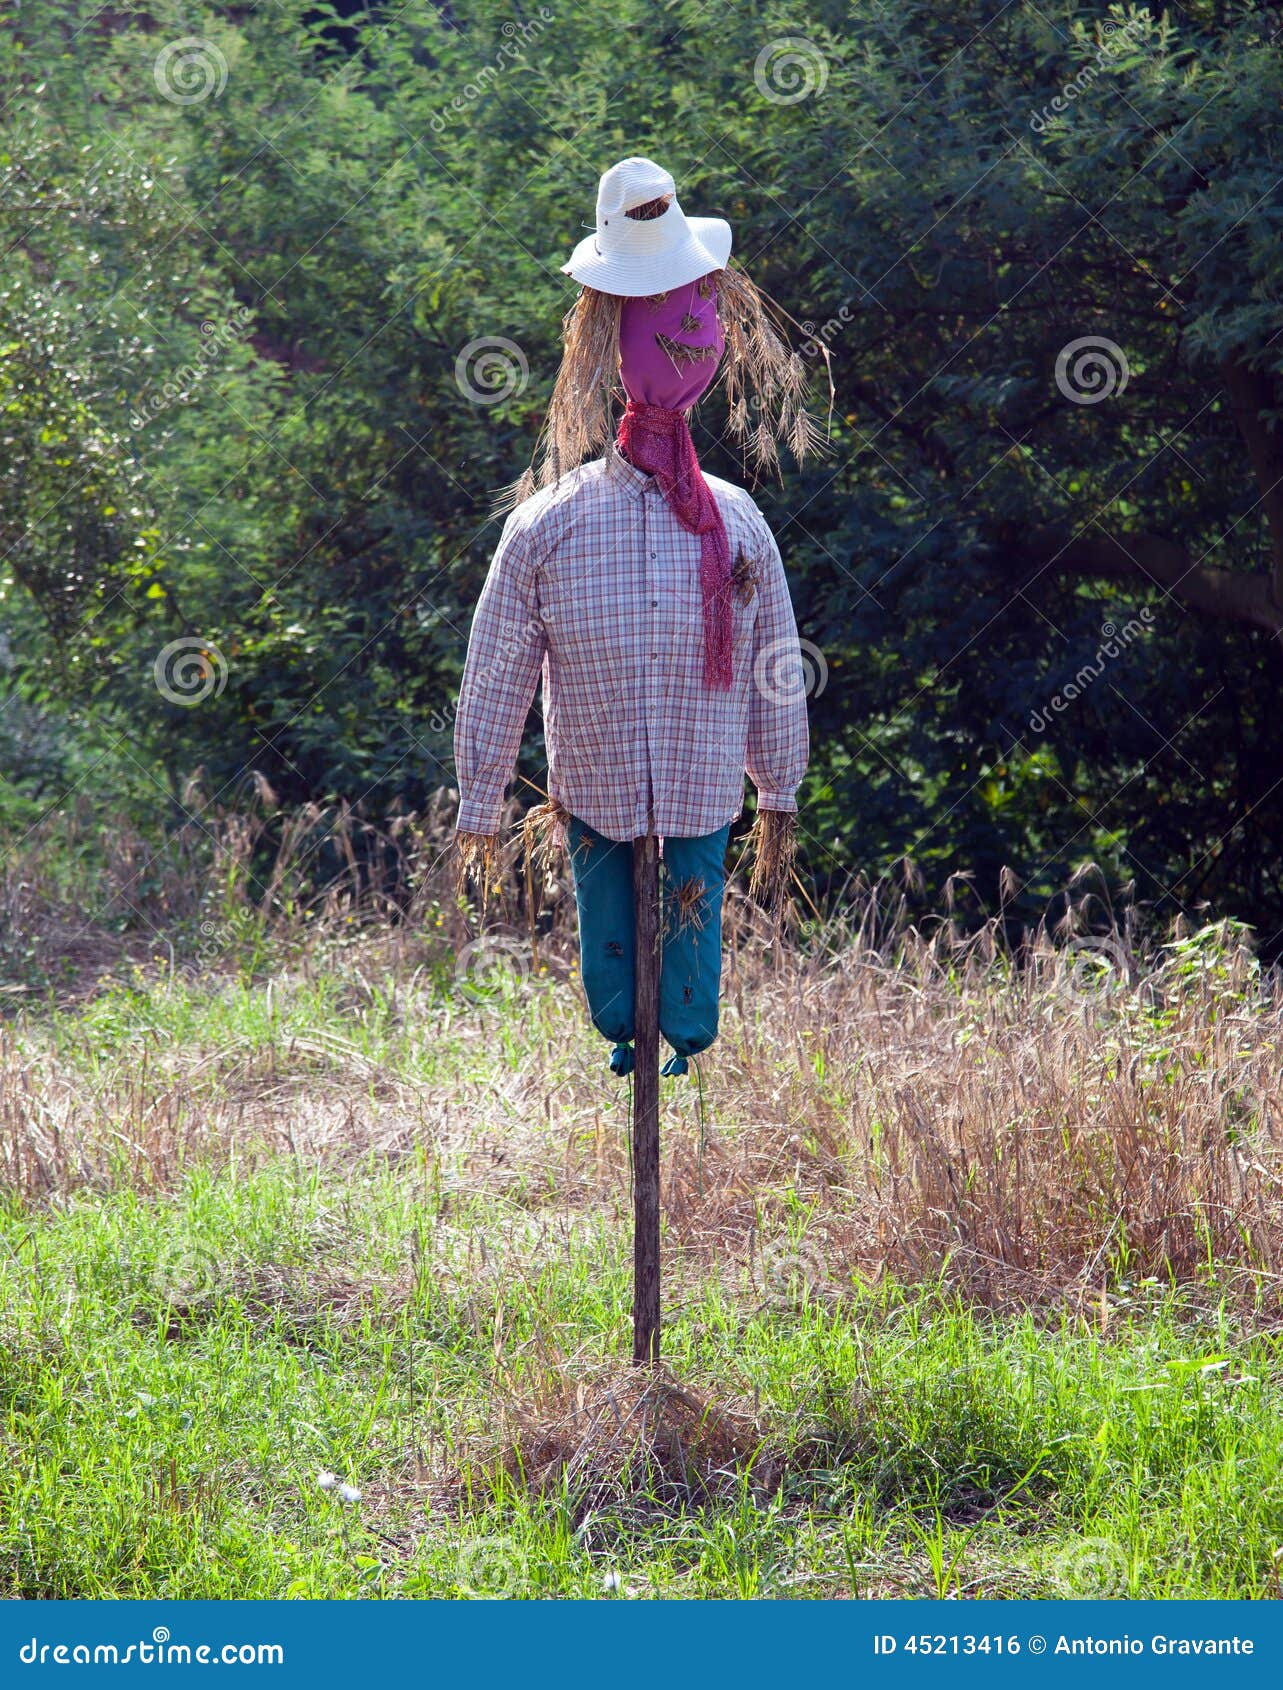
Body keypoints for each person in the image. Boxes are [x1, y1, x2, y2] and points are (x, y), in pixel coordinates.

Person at [453, 156, 821, 1077]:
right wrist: (480, 798)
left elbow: (775, 662)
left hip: (699, 790)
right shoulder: (548, 526)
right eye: (670, 320)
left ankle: (682, 1027)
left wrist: (776, 788)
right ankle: (621, 1021)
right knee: (611, 960)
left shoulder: (736, 524)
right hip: (596, 790)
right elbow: (496, 670)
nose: (691, 338)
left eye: (700, 318)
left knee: (691, 948)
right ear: (615, 341)